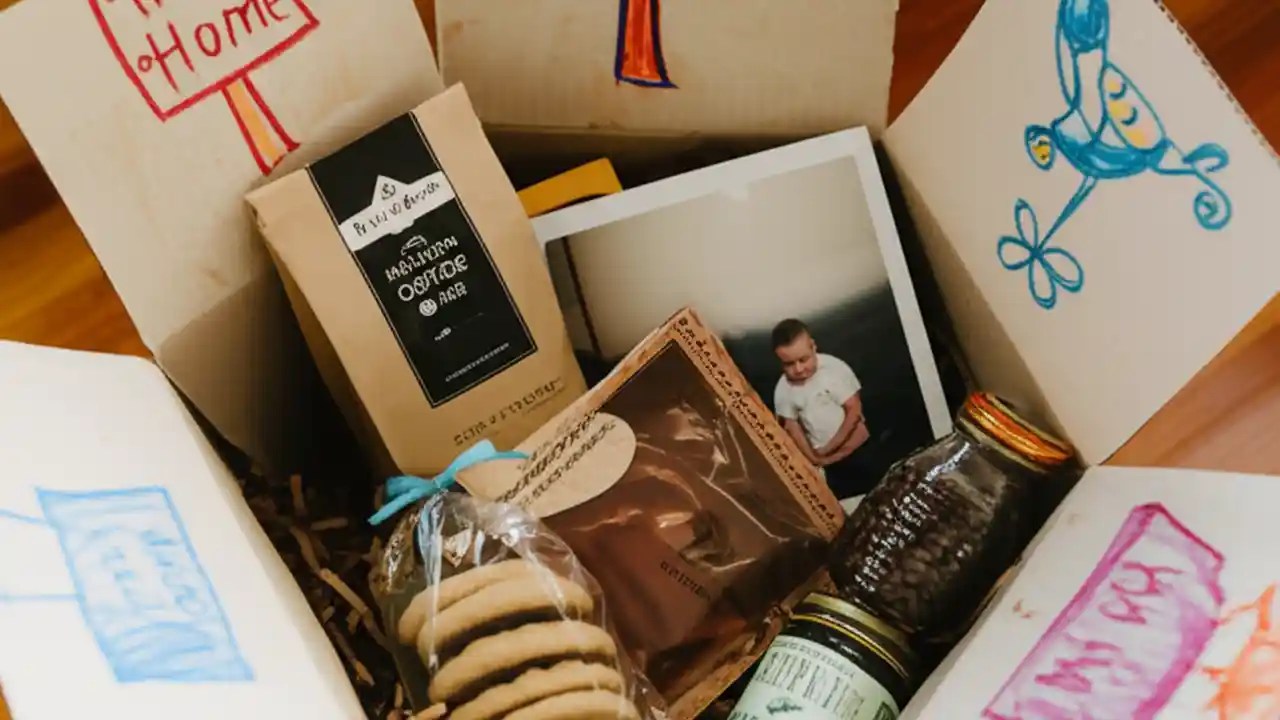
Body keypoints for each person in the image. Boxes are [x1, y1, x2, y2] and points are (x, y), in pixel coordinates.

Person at [771, 318, 872, 507]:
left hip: (857, 449)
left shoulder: (834, 369)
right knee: (847, 504)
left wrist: (830, 447)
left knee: (875, 492)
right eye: (789, 364)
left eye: (803, 359)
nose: (798, 369)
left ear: (813, 347)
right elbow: (792, 428)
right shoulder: (783, 389)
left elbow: (854, 410)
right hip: (827, 462)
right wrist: (813, 457)